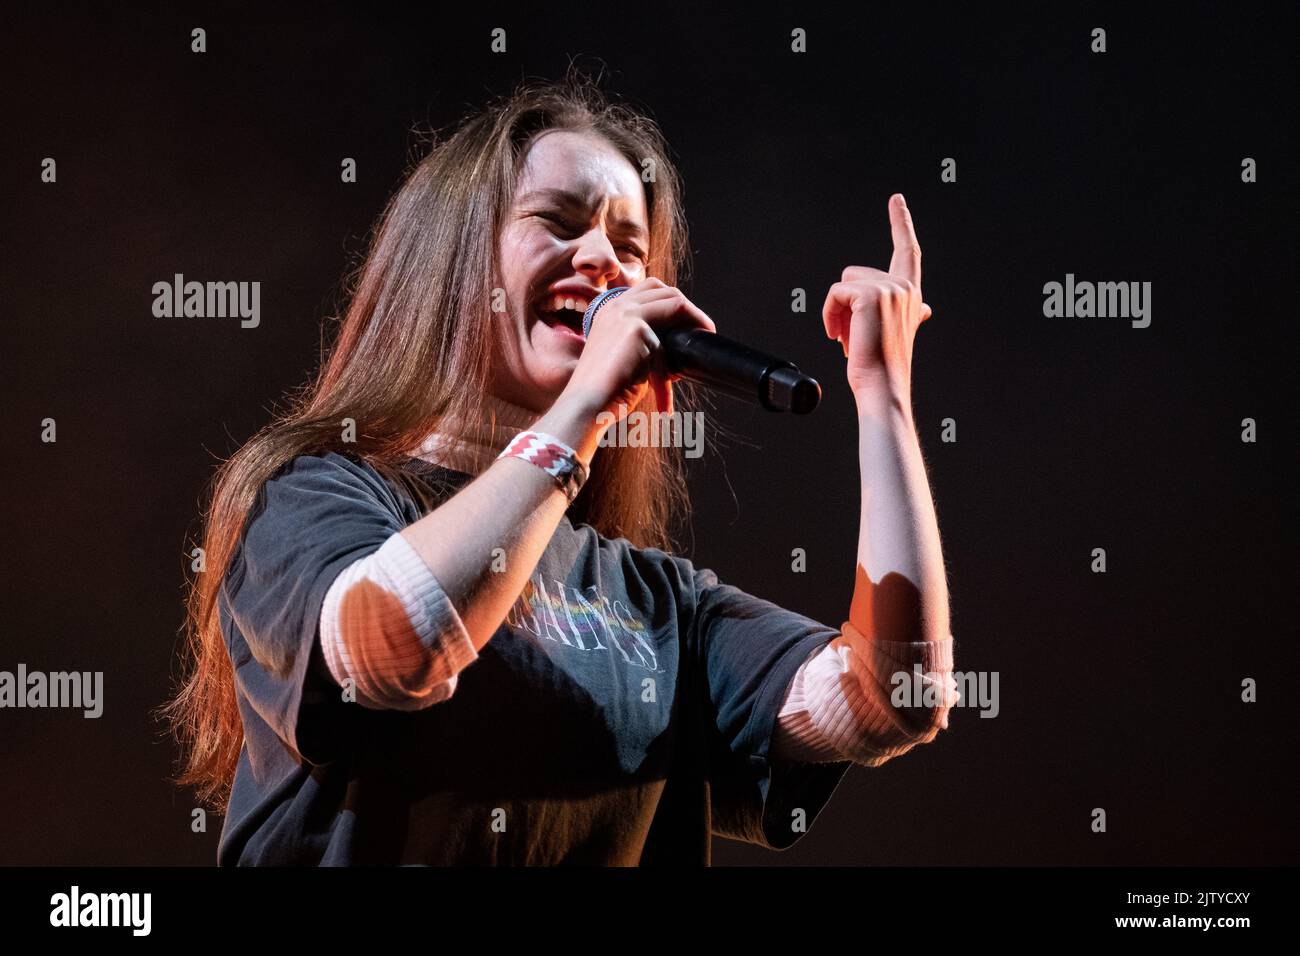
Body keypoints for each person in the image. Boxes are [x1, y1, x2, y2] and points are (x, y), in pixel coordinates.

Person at [162, 74, 959, 866]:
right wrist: (580, 412)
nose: (604, 261)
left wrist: (883, 398)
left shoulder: (663, 607)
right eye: (558, 221)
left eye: (631, 247)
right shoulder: (312, 496)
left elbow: (893, 702)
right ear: (455, 261)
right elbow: (392, 647)